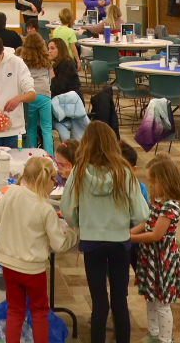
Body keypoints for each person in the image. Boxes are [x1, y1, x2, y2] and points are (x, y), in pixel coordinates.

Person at [59, 124, 147, 343]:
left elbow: (67, 210)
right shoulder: (125, 172)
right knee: (120, 302)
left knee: (99, 303)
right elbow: (141, 213)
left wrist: (82, 222)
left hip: (92, 242)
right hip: (119, 242)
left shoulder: (79, 171)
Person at [0, 157, 76, 343]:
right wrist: (75, 234)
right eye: (55, 181)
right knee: (39, 312)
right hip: (33, 270)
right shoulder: (46, 209)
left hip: (8, 264)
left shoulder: (11, 192)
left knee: (14, 311)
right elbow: (59, 245)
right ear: (47, 180)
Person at [130, 158, 180, 343]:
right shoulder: (158, 202)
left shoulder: (170, 207)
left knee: (162, 304)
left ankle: (165, 339)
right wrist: (129, 232)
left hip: (162, 259)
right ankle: (153, 334)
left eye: (153, 181)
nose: (150, 185)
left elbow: (155, 235)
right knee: (150, 298)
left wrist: (129, 238)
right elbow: (146, 222)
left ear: (164, 181)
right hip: (151, 257)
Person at [21, 33, 56, 152]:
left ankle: (30, 156)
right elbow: (49, 79)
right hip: (45, 94)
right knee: (47, 128)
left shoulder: (23, 61)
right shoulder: (46, 60)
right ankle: (49, 158)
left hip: (30, 94)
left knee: (31, 128)